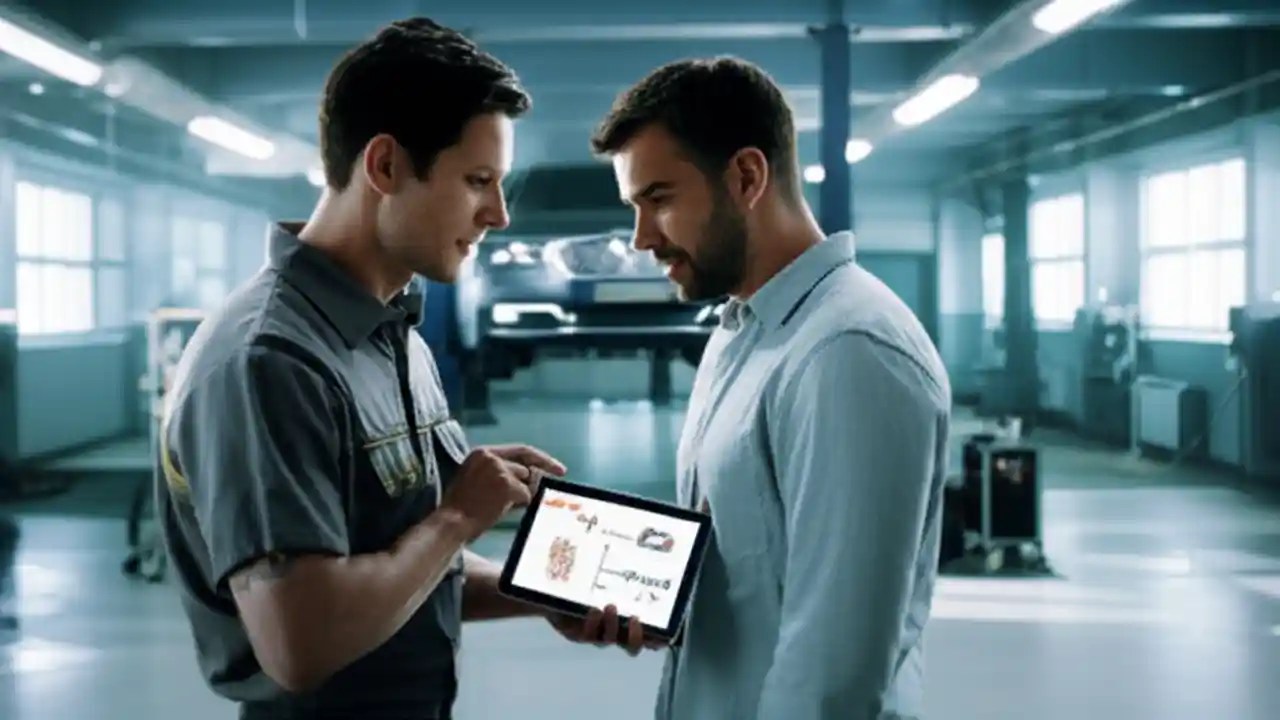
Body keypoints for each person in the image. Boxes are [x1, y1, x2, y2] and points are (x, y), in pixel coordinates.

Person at [156, 18, 637, 719]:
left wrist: (542, 591)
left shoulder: (391, 332)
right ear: (384, 167)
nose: (498, 214)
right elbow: (302, 644)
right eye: (478, 180)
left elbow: (393, 568)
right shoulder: (270, 362)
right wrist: (454, 517)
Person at [589, 57, 953, 719]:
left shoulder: (848, 353)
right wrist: (645, 585)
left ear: (747, 177)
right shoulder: (739, 331)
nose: (642, 238)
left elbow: (831, 678)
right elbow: (753, 563)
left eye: (659, 199)